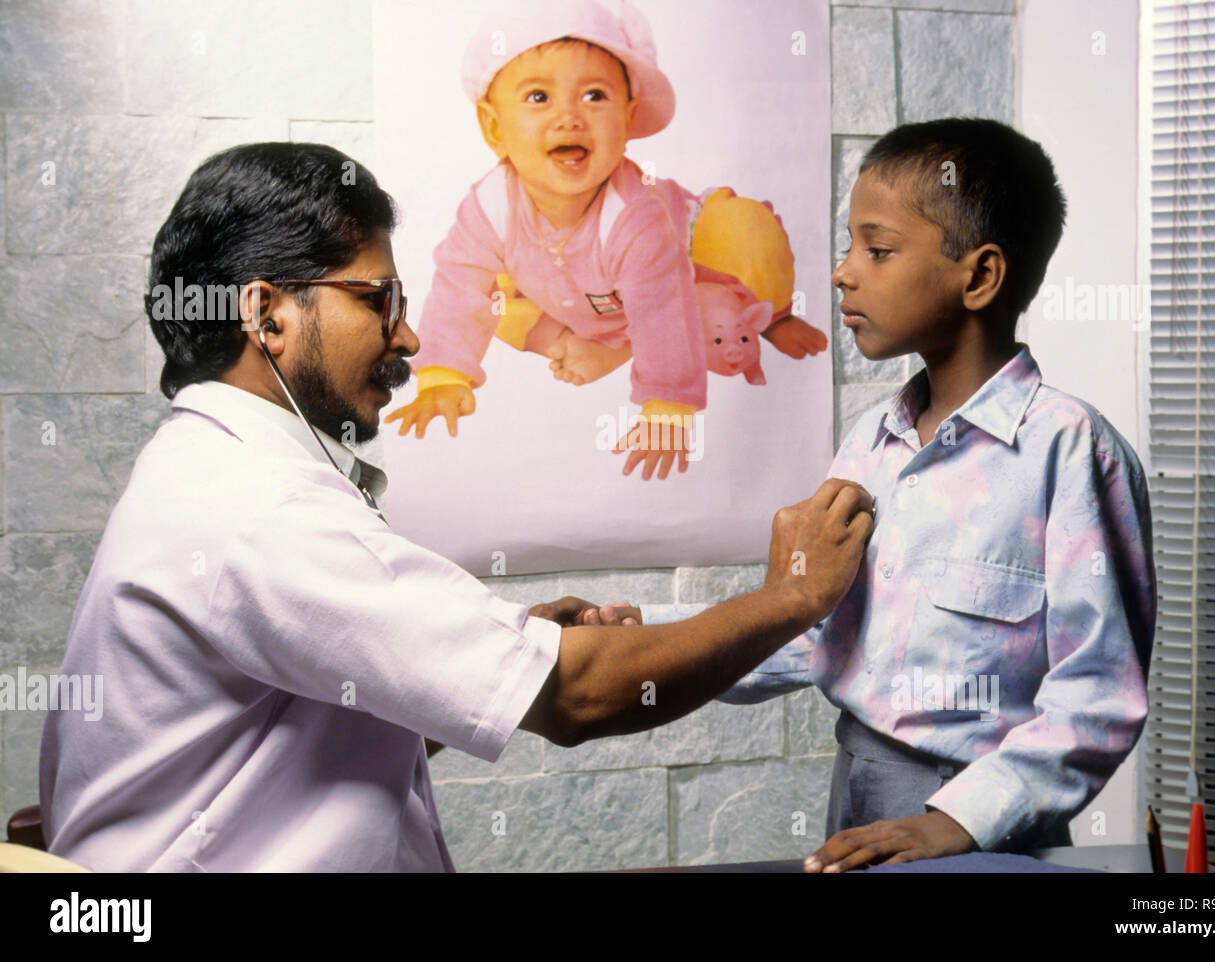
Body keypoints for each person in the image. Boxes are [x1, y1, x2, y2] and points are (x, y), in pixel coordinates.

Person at [37, 142, 874, 872]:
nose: (407, 338)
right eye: (377, 301)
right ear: (266, 314)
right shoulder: (258, 505)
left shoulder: (209, 469)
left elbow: (308, 715)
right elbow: (580, 699)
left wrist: (494, 653)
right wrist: (790, 600)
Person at [610, 118, 1156, 870]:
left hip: (982, 826)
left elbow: (1097, 696)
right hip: (859, 798)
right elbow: (812, 629)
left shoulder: (1071, 451)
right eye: (849, 246)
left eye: (878, 249)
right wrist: (640, 631)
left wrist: (956, 822)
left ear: (979, 275)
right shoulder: (871, 440)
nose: (842, 273)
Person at [383, 0, 827, 480]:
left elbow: (661, 310)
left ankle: (772, 312)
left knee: (742, 240)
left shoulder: (635, 215)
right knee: (493, 299)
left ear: (628, 119)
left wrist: (666, 404)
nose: (569, 117)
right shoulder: (490, 205)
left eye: (595, 96)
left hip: (689, 261)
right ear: (494, 127)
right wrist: (444, 374)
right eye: (538, 98)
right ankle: (584, 343)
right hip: (585, 294)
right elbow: (458, 287)